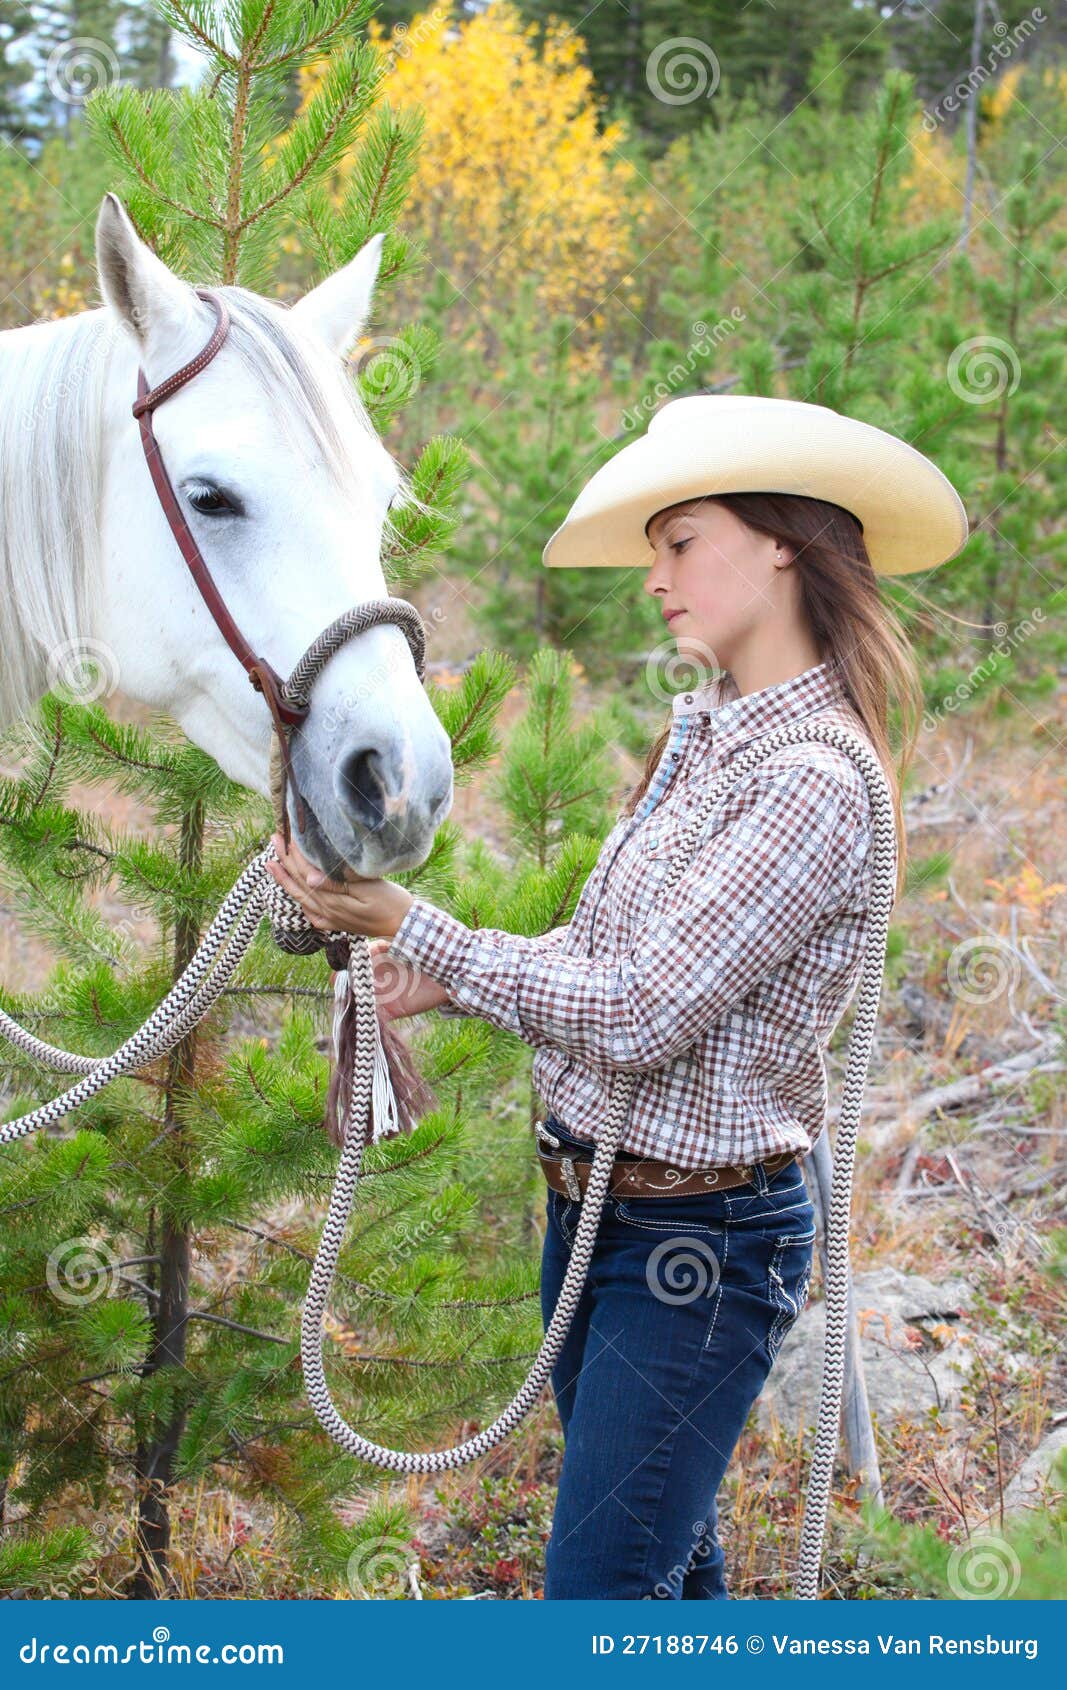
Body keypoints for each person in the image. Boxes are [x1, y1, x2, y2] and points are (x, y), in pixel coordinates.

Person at [267, 394, 968, 1599]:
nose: (655, 574)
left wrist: (416, 924)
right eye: (651, 546)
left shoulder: (809, 780)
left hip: (696, 1240)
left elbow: (643, 1009)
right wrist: (433, 974)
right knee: (661, 1568)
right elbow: (612, 953)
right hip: (599, 1212)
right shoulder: (706, 731)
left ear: (783, 540)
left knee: (598, 1596)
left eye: (680, 539)